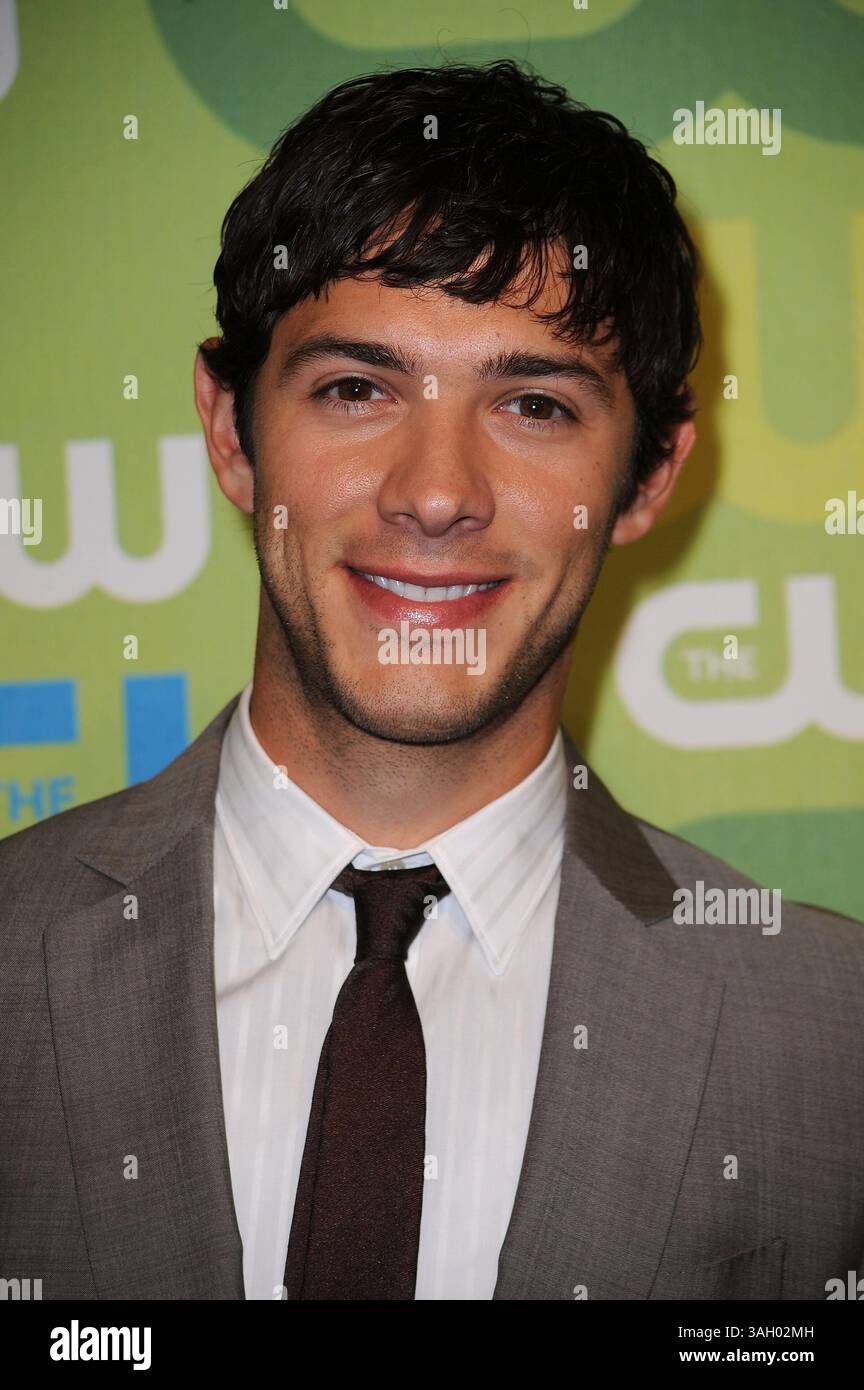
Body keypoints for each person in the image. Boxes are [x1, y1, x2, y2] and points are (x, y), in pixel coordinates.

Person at [2, 59, 862, 1303]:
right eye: (358, 387)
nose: (436, 489)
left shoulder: (832, 1041)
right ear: (232, 429)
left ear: (653, 473)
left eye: (533, 403)